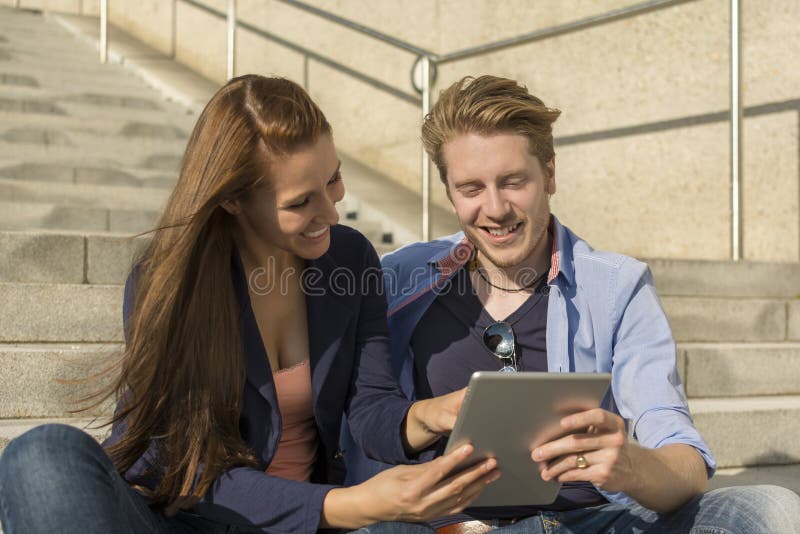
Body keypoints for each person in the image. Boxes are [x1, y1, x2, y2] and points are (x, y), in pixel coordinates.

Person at [0, 75, 501, 534]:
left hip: (311, 524)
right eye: (300, 202)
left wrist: (431, 416)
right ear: (233, 200)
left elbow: (370, 406)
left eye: (333, 180)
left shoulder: (349, 258)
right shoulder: (169, 283)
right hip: (186, 521)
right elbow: (187, 471)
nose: (331, 210)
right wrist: (353, 505)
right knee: (41, 454)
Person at [344, 75, 800, 533]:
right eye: (471, 189)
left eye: (513, 181)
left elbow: (684, 461)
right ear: (449, 192)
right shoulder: (400, 279)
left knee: (770, 508)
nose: (496, 208)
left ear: (551, 175)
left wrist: (628, 466)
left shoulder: (617, 287)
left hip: (584, 521)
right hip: (445, 526)